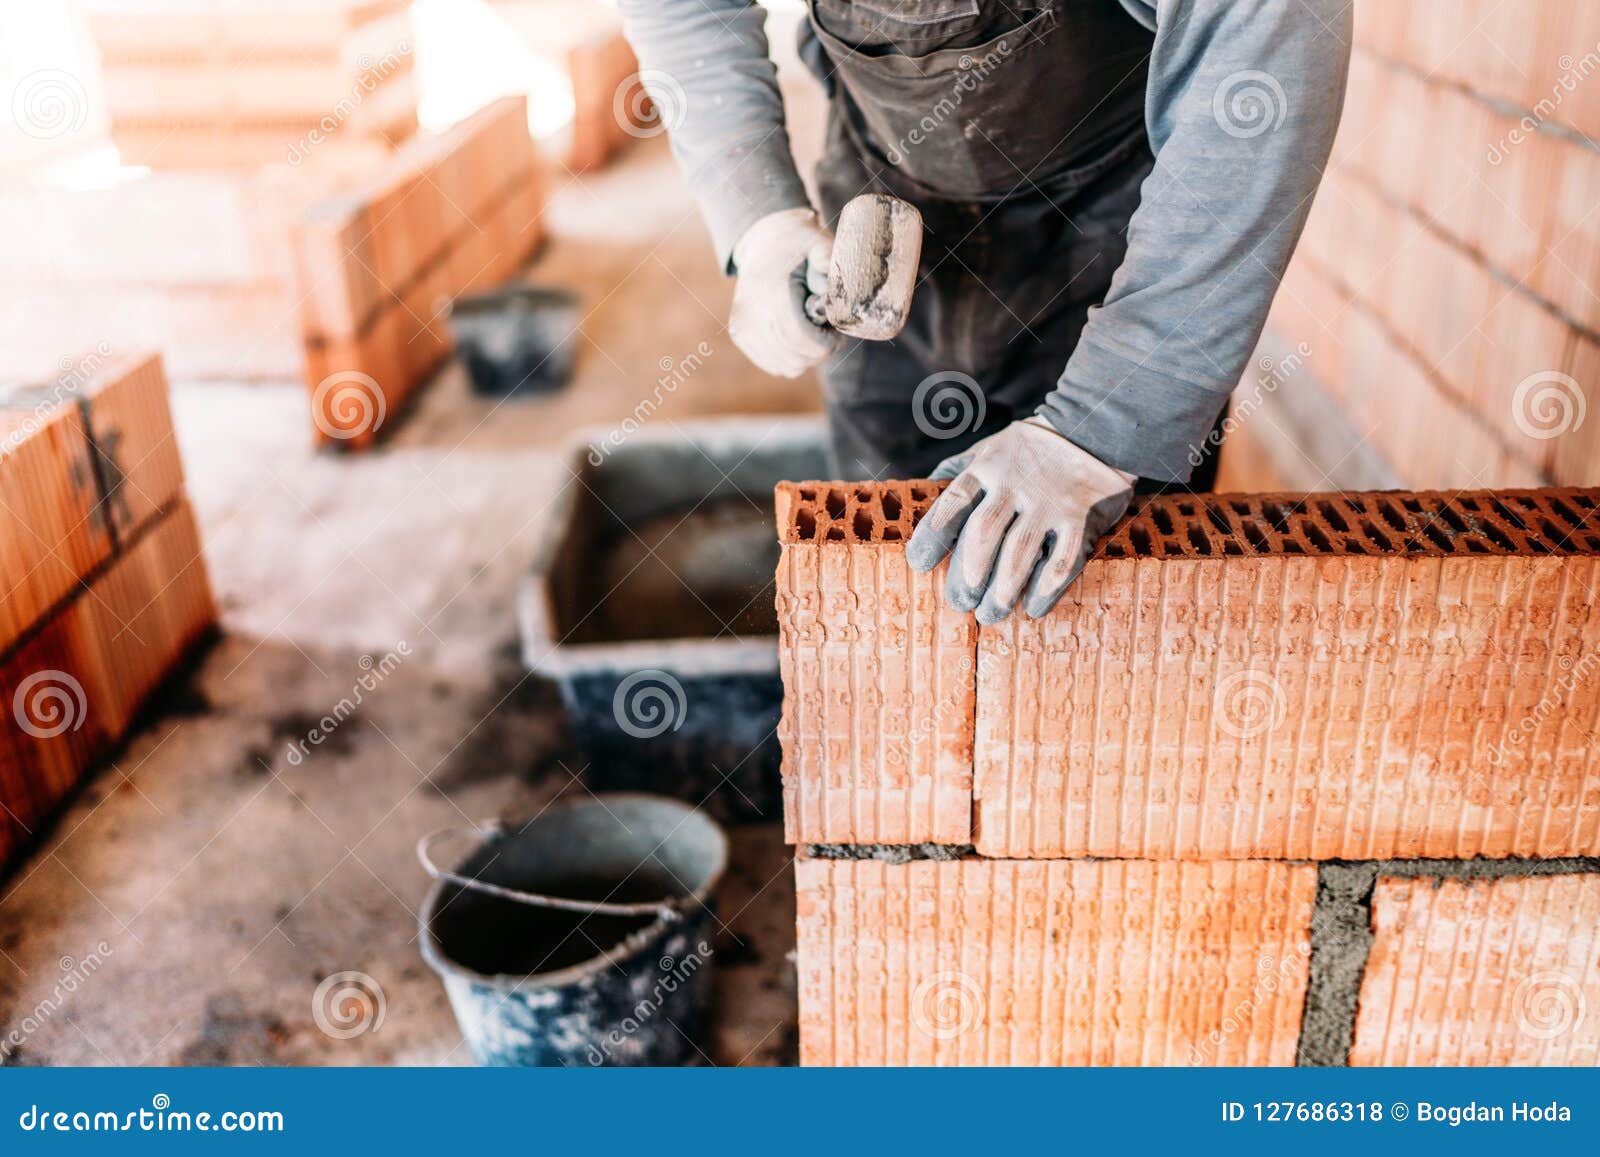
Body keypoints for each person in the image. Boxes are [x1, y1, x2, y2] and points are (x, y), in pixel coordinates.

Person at [616, 0, 1350, 623]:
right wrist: (760, 219)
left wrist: (1110, 417)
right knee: (891, 604)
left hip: (1111, 240)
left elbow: (1269, 31)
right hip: (886, 187)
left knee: (1099, 625)